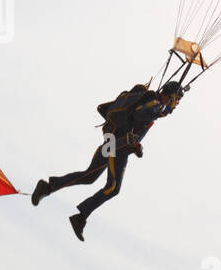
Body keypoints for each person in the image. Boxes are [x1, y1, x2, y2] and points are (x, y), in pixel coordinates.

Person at [31, 81, 183, 241]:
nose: (177, 103)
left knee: (90, 176)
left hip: (116, 142)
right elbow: (141, 114)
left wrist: (136, 146)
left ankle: (48, 188)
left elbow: (135, 123)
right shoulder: (154, 104)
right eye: (177, 99)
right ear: (171, 96)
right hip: (117, 144)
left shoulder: (152, 103)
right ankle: (80, 216)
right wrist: (165, 109)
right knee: (112, 187)